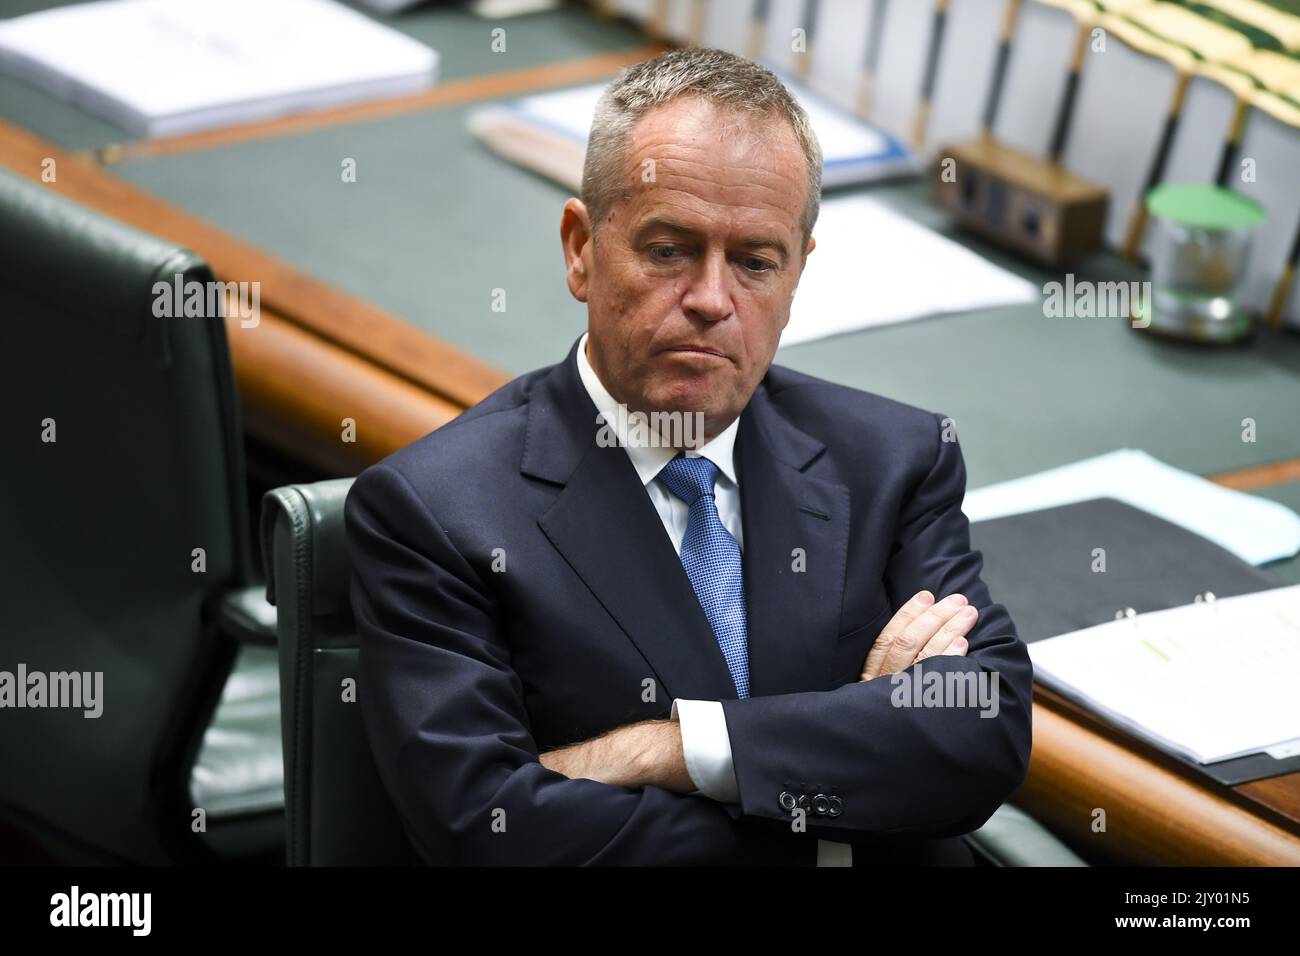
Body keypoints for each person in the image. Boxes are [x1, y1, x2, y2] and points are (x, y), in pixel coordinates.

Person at [345, 47, 1032, 866]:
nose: (712, 300)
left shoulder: (891, 460)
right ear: (580, 248)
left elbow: (981, 733)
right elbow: (489, 833)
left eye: (754, 262)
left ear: (798, 272)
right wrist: (848, 764)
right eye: (669, 250)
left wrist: (669, 751)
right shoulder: (435, 512)